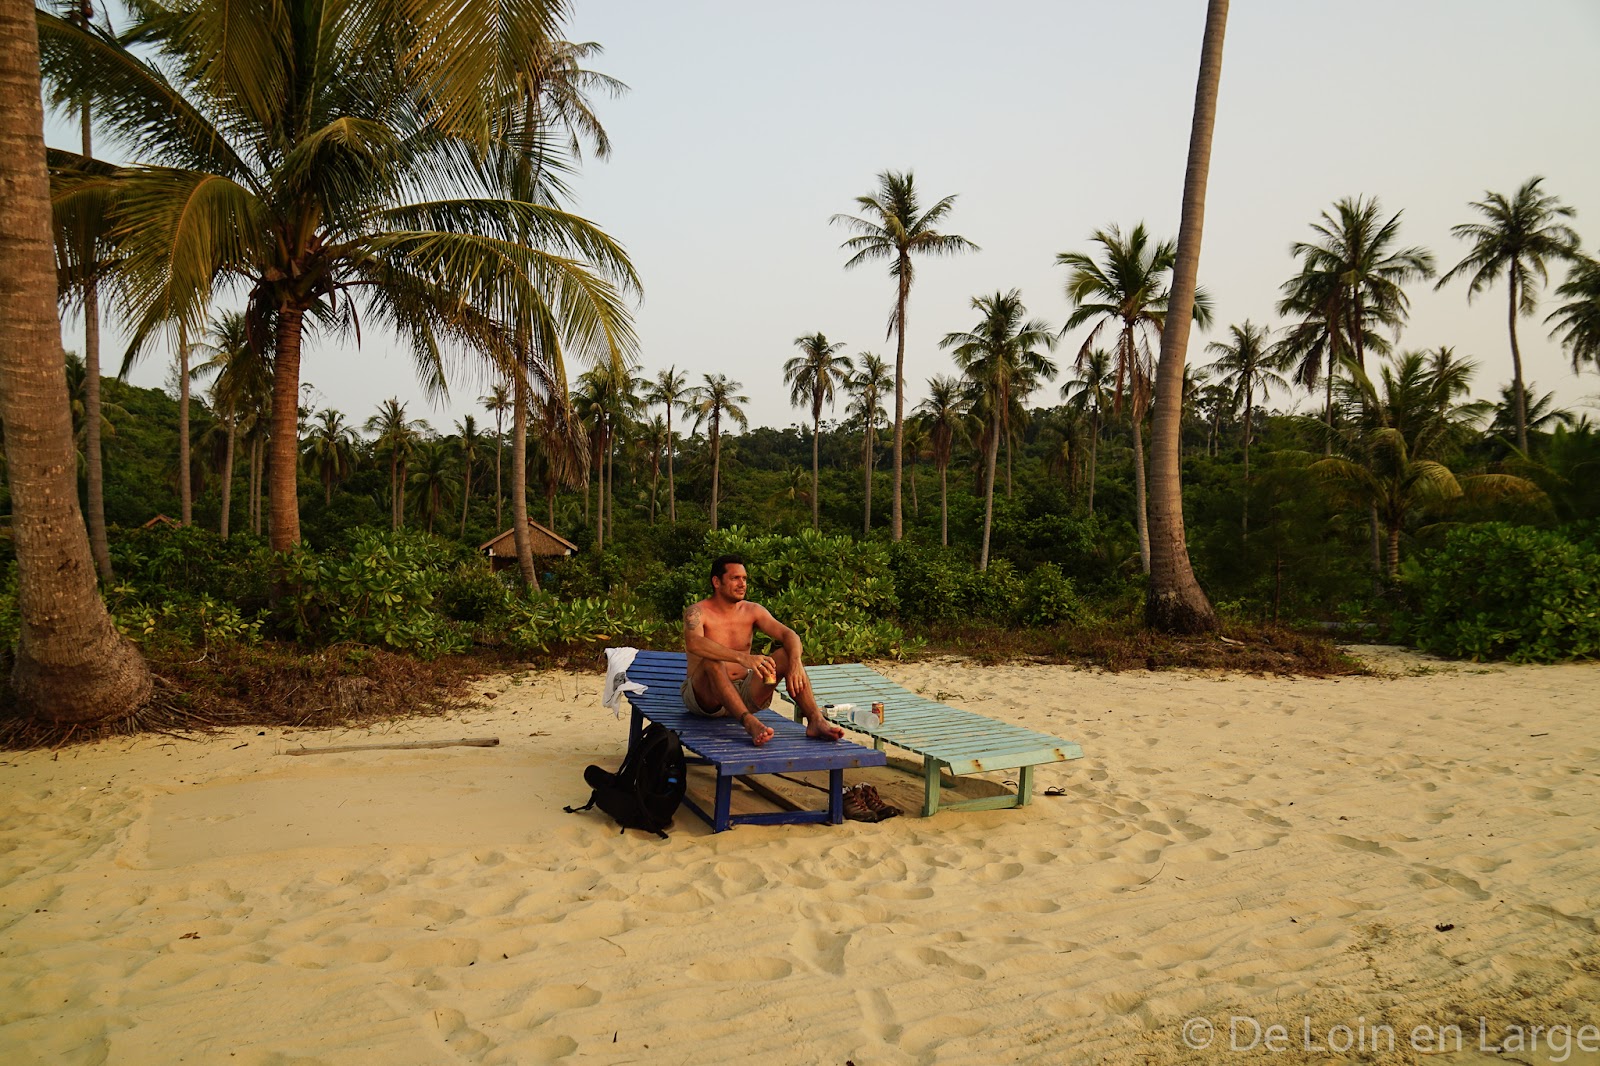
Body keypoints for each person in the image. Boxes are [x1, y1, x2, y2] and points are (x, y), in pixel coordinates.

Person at [682, 554, 845, 747]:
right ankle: (750, 724)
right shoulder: (697, 612)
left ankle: (816, 720)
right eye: (735, 578)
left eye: (744, 579)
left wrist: (795, 663)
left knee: (786, 655)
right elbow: (695, 643)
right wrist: (742, 658)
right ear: (717, 582)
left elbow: (789, 634)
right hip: (706, 698)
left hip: (745, 692)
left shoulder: (752, 610)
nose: (742, 584)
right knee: (711, 660)